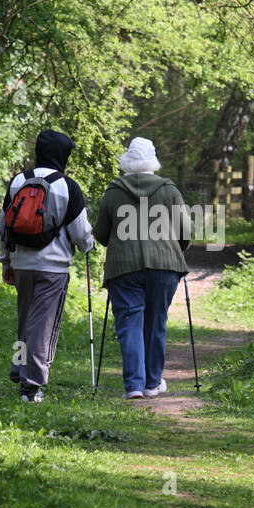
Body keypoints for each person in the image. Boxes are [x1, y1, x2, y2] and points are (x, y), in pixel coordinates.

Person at [0, 129, 93, 403]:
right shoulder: (67, 186)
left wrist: (6, 260)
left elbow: (4, 225)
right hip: (53, 268)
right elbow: (80, 232)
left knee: (25, 320)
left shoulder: (19, 181)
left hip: (22, 264)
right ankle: (31, 386)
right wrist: (89, 245)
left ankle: (19, 369)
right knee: (43, 325)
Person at [94, 137, 191, 400]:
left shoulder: (114, 191)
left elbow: (101, 234)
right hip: (164, 267)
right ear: (153, 162)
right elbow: (186, 232)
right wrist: (175, 249)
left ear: (127, 162)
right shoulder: (169, 190)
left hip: (123, 269)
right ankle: (152, 383)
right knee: (156, 322)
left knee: (129, 324)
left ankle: (134, 386)